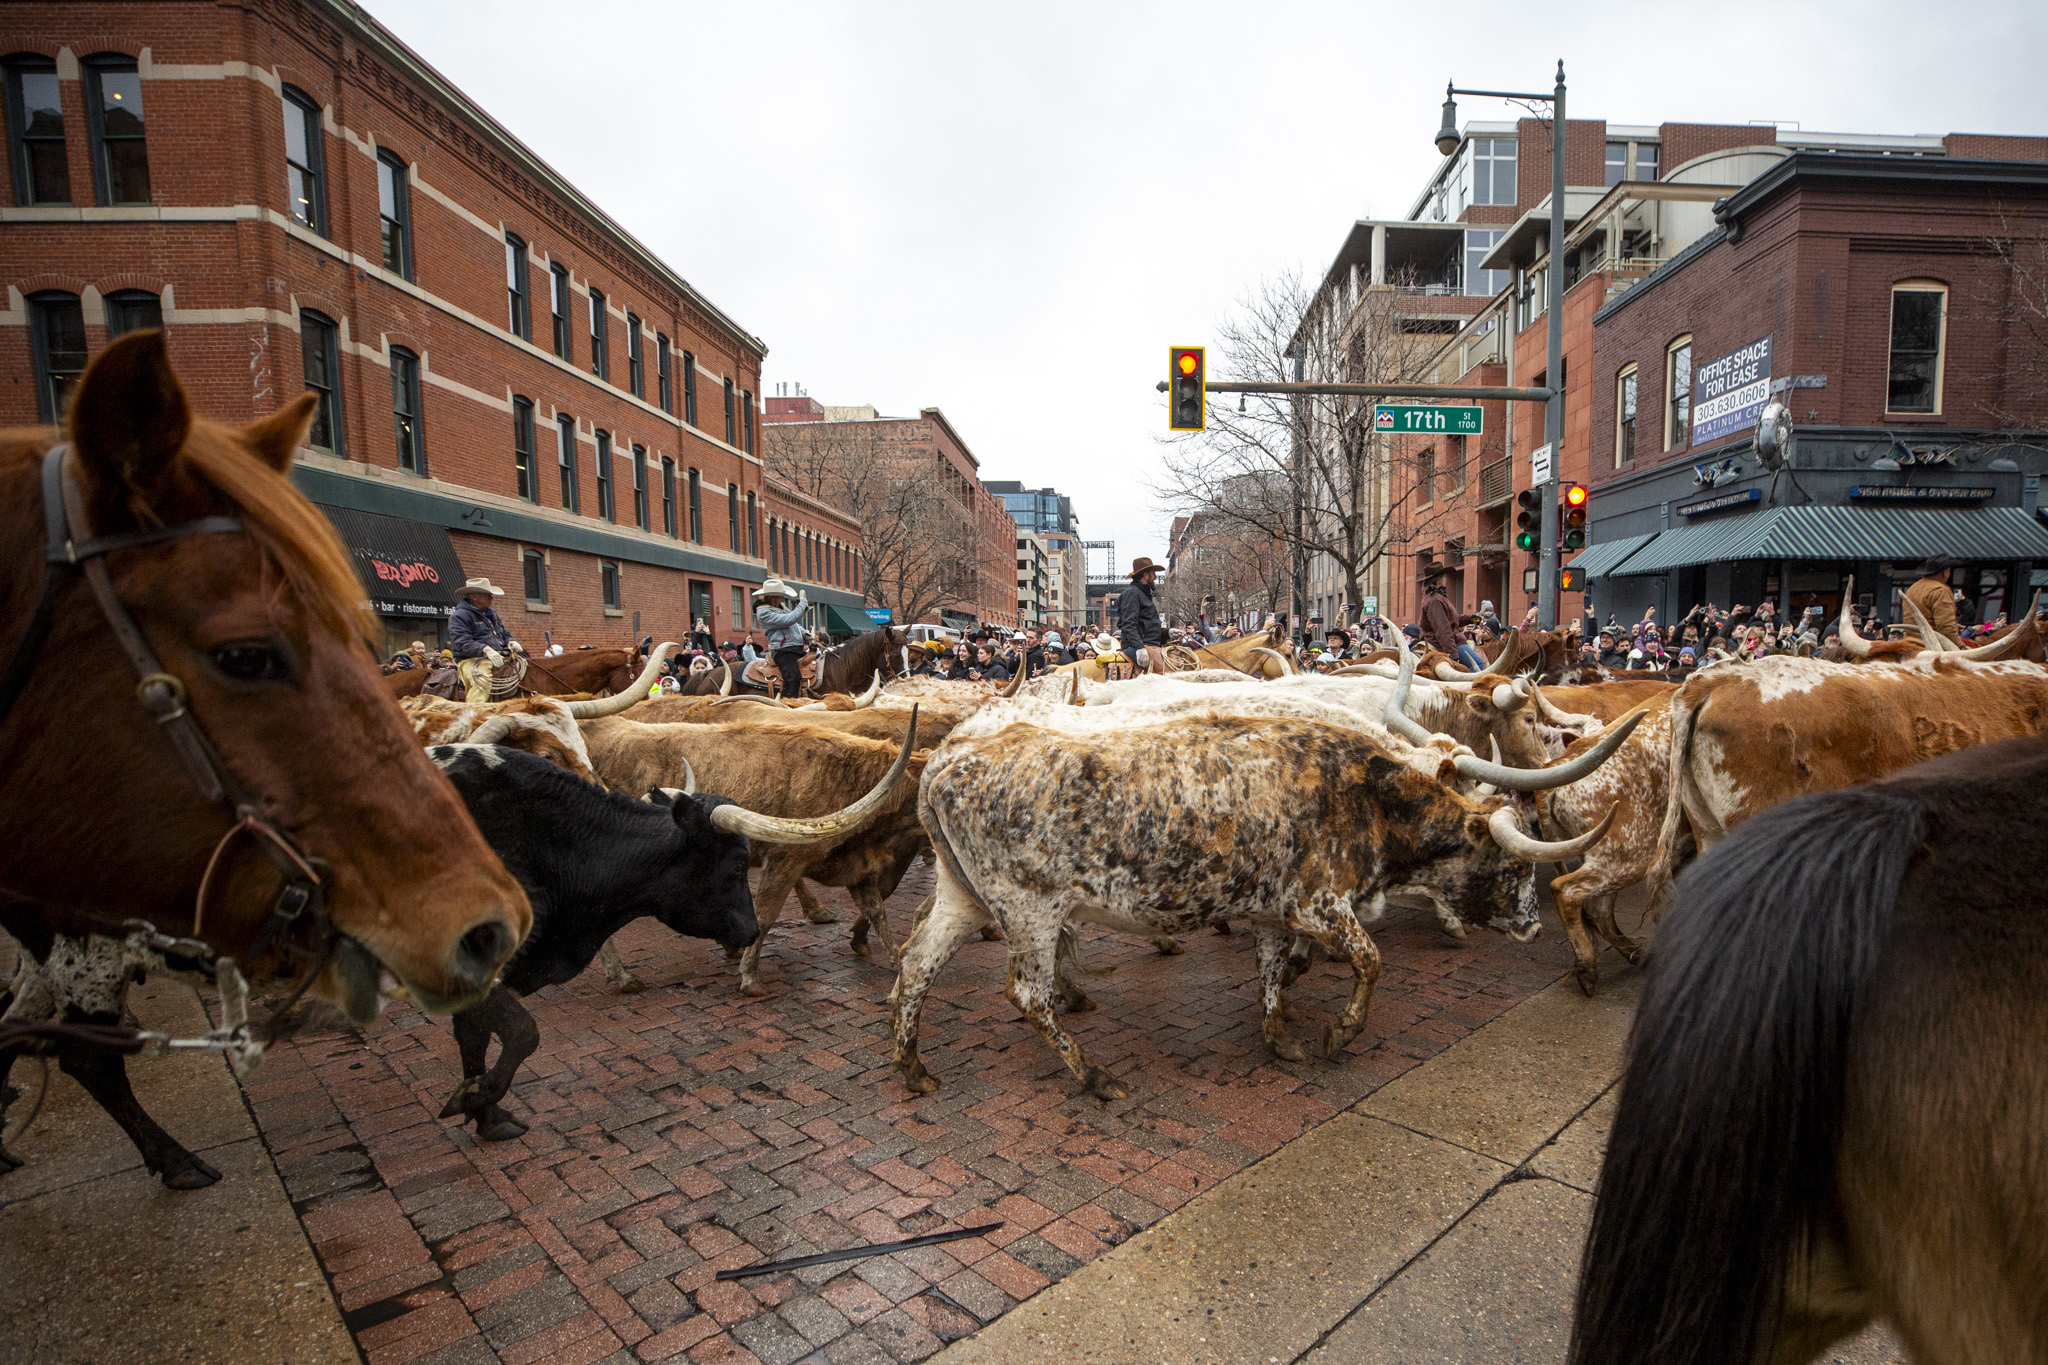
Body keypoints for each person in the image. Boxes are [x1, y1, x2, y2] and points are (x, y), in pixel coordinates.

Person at [449, 577, 518, 703]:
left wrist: (511, 641)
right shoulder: (459, 615)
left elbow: (504, 633)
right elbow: (461, 642)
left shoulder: (492, 614)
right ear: (476, 597)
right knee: (482, 682)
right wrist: (484, 649)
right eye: (488, 595)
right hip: (471, 660)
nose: (491, 598)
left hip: (498, 657)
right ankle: (473, 714)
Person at [753, 577, 810, 697]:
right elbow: (788, 619)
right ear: (773, 597)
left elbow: (793, 623)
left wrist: (804, 633)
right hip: (783, 650)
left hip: (795, 648)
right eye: (780, 596)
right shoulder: (763, 613)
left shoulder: (780, 607)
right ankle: (787, 702)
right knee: (793, 677)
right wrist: (802, 604)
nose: (783, 598)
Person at [1116, 557, 1169, 674]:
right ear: (1145, 575)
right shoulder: (1132, 593)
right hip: (1140, 647)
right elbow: (1128, 624)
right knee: (1168, 673)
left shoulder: (1143, 594)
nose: (1155, 576)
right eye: (1153, 573)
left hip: (1150, 646)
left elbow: (1148, 627)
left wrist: (1167, 633)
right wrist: (1139, 647)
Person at [1902, 556, 1962, 646]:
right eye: (1949, 571)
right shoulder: (1941, 590)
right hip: (1930, 645)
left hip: (1908, 643)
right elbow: (1946, 627)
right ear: (1944, 572)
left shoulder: (1912, 588)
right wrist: (1960, 646)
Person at [1418, 567, 1460, 656]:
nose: (1446, 579)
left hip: (1448, 641)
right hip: (1440, 644)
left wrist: (1471, 619)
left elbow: (1452, 619)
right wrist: (1453, 655)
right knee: (1479, 662)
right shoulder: (1435, 600)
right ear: (1440, 579)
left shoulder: (1436, 597)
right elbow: (1443, 629)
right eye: (1444, 576)